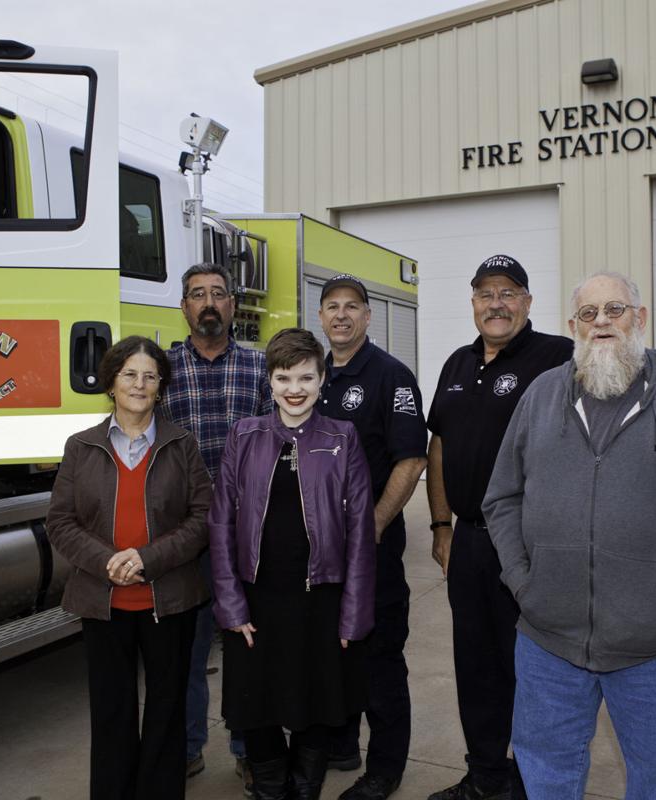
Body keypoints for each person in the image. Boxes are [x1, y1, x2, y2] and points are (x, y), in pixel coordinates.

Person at [483, 273, 656, 799]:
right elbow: (502, 497)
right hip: (549, 642)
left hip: (654, 647)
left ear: (639, 318)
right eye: (588, 315)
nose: (602, 323)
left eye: (614, 310)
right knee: (546, 777)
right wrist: (525, 584)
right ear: (573, 327)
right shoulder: (542, 395)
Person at [425, 255, 573, 800]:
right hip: (469, 539)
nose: (497, 303)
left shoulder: (558, 356)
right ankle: (486, 776)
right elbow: (437, 443)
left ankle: (532, 781)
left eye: (508, 292)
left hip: (529, 544)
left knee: (532, 668)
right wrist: (442, 525)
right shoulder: (457, 365)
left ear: (528, 302)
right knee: (476, 664)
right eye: (486, 293)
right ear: (473, 304)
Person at [210, 328, 377, 800]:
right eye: (284, 378)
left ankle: (304, 790)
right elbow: (220, 524)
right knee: (253, 708)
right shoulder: (243, 436)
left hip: (320, 599)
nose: (295, 389)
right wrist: (230, 604)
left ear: (323, 379)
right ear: (269, 381)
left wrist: (354, 612)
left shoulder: (343, 438)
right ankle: (269, 790)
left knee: (318, 707)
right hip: (255, 600)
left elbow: (362, 534)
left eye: (306, 377)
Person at [46, 335, 213, 800]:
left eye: (150, 376)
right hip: (103, 601)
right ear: (112, 382)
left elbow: (203, 518)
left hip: (170, 598)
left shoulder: (183, 445)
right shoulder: (81, 446)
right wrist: (106, 562)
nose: (139, 384)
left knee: (166, 708)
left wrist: (147, 558)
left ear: (161, 387)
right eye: (129, 374)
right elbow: (60, 521)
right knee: (112, 710)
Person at [313, 274, 428, 800]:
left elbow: (410, 459)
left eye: (352, 307)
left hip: (371, 551)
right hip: (317, 553)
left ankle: (384, 769)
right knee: (329, 651)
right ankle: (340, 743)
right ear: (320, 317)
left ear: (367, 316)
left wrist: (374, 525)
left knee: (379, 657)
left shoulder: (391, 377)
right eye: (332, 306)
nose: (341, 315)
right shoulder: (310, 375)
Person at [160, 262, 271, 784]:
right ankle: (186, 746)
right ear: (183, 306)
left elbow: (280, 445)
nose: (208, 302)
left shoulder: (259, 368)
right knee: (187, 649)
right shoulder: (158, 370)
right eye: (197, 294)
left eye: (218, 294)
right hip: (181, 535)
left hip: (247, 530)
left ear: (233, 306)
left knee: (249, 647)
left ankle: (250, 746)